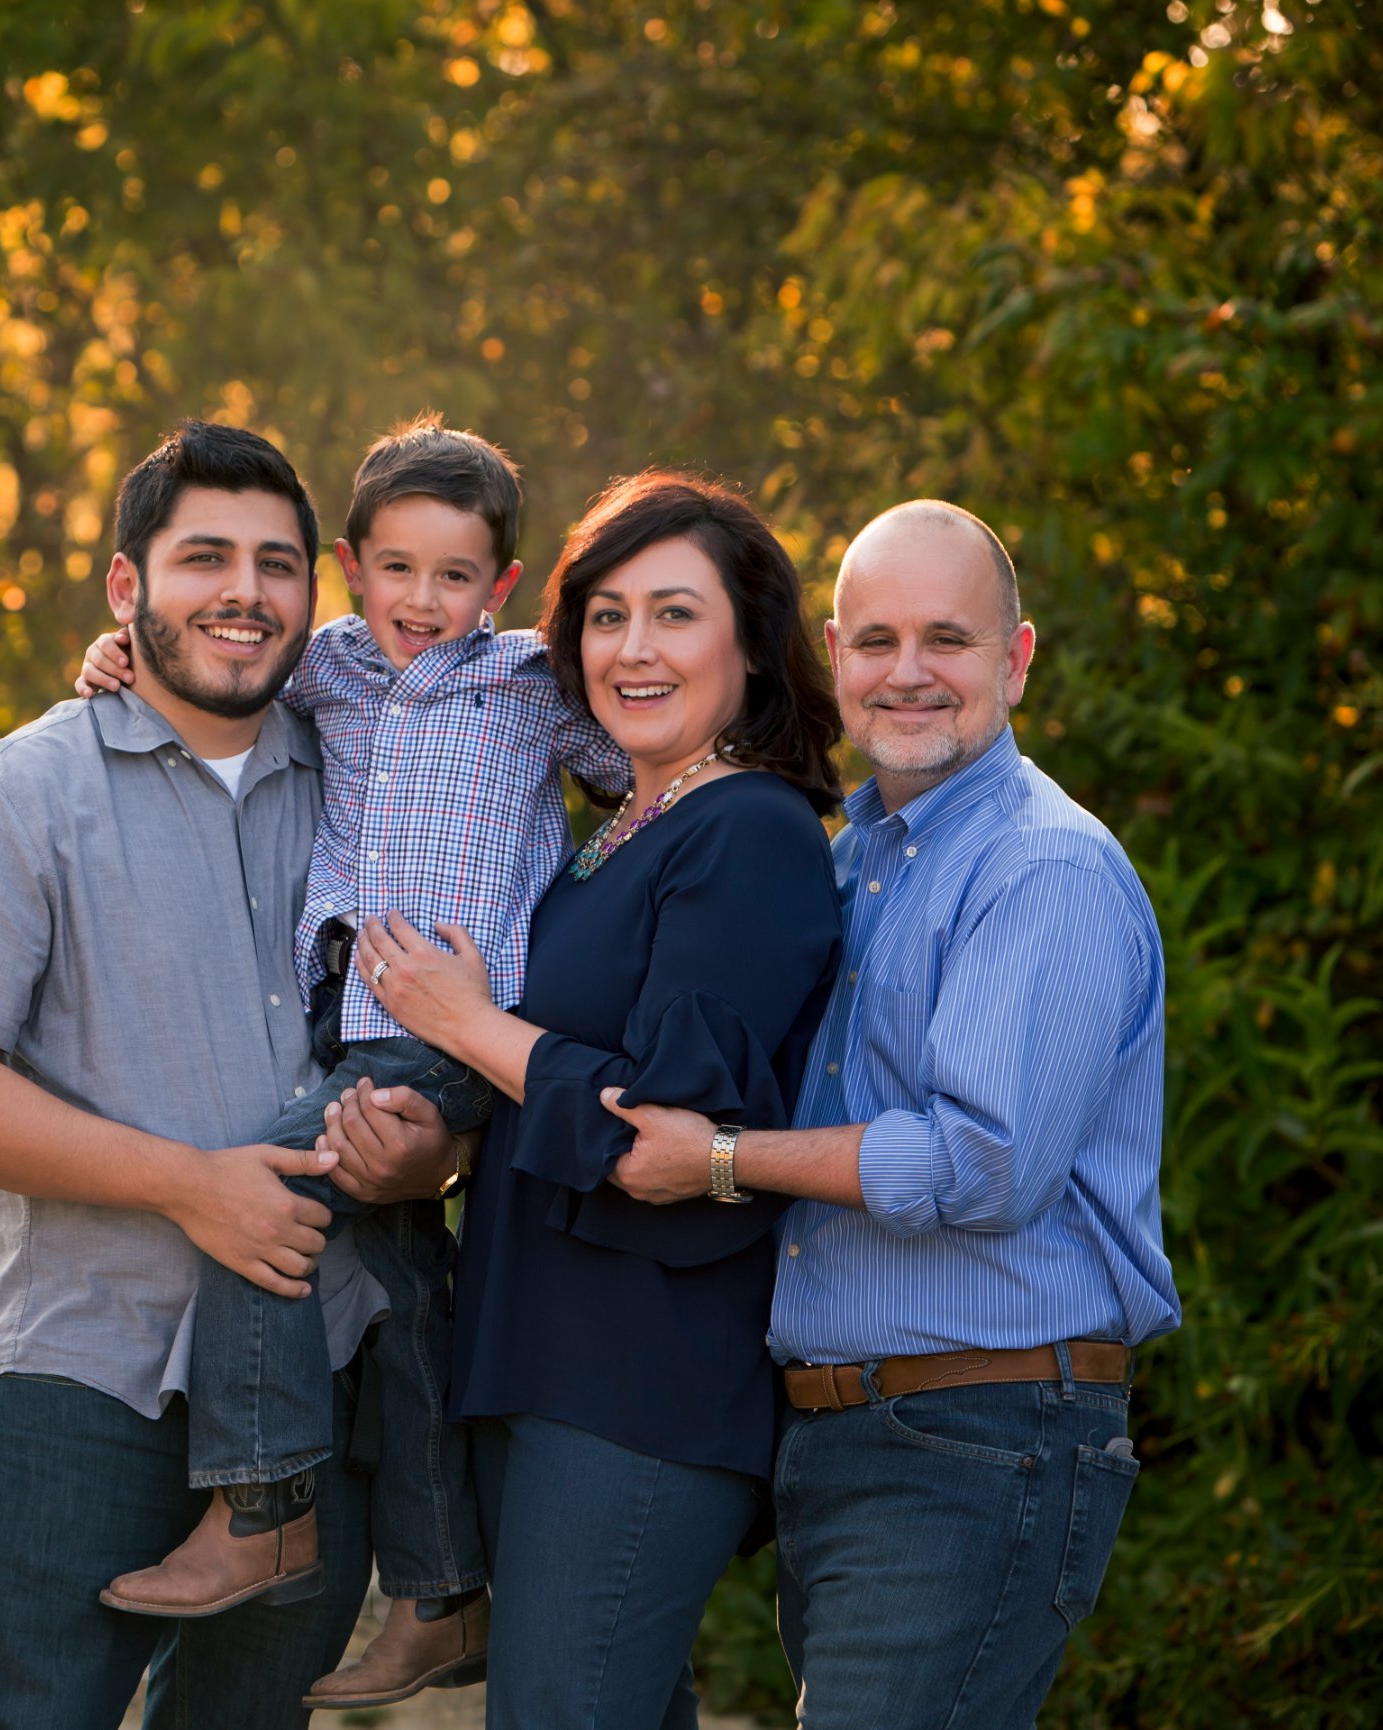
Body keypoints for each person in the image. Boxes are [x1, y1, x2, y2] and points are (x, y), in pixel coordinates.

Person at [0, 419, 460, 1730]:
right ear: (126, 587)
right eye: (203, 557)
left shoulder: (367, 777)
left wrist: (434, 1155)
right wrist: (189, 1186)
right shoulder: (24, 789)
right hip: (90, 1371)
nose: (243, 591)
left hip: (317, 1365)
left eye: (274, 562)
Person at [73, 416, 632, 1710]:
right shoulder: (322, 665)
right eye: (394, 569)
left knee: (255, 1189)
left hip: (451, 1026)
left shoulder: (530, 680)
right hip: (348, 1019)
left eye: (452, 577)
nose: (420, 602)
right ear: (348, 565)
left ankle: (261, 1500)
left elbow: (637, 758)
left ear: (496, 585)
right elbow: (202, 670)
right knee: (400, 1302)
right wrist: (112, 656)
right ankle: (443, 1594)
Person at [599, 500, 1183, 1728]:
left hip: (981, 1431)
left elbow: (983, 1163)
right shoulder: (853, 859)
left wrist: (718, 1159)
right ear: (831, 655)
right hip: (849, 1433)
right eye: (874, 641)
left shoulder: (1042, 867)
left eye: (947, 640)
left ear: (1015, 660)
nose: (907, 674)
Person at [354, 471, 847, 1728]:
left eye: (674, 614)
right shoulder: (620, 822)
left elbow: (659, 1140)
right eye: (606, 614)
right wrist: (449, 1142)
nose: (632, 648)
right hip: (535, 1343)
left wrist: (467, 1025)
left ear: (748, 638)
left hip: (638, 1376)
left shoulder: (751, 831)